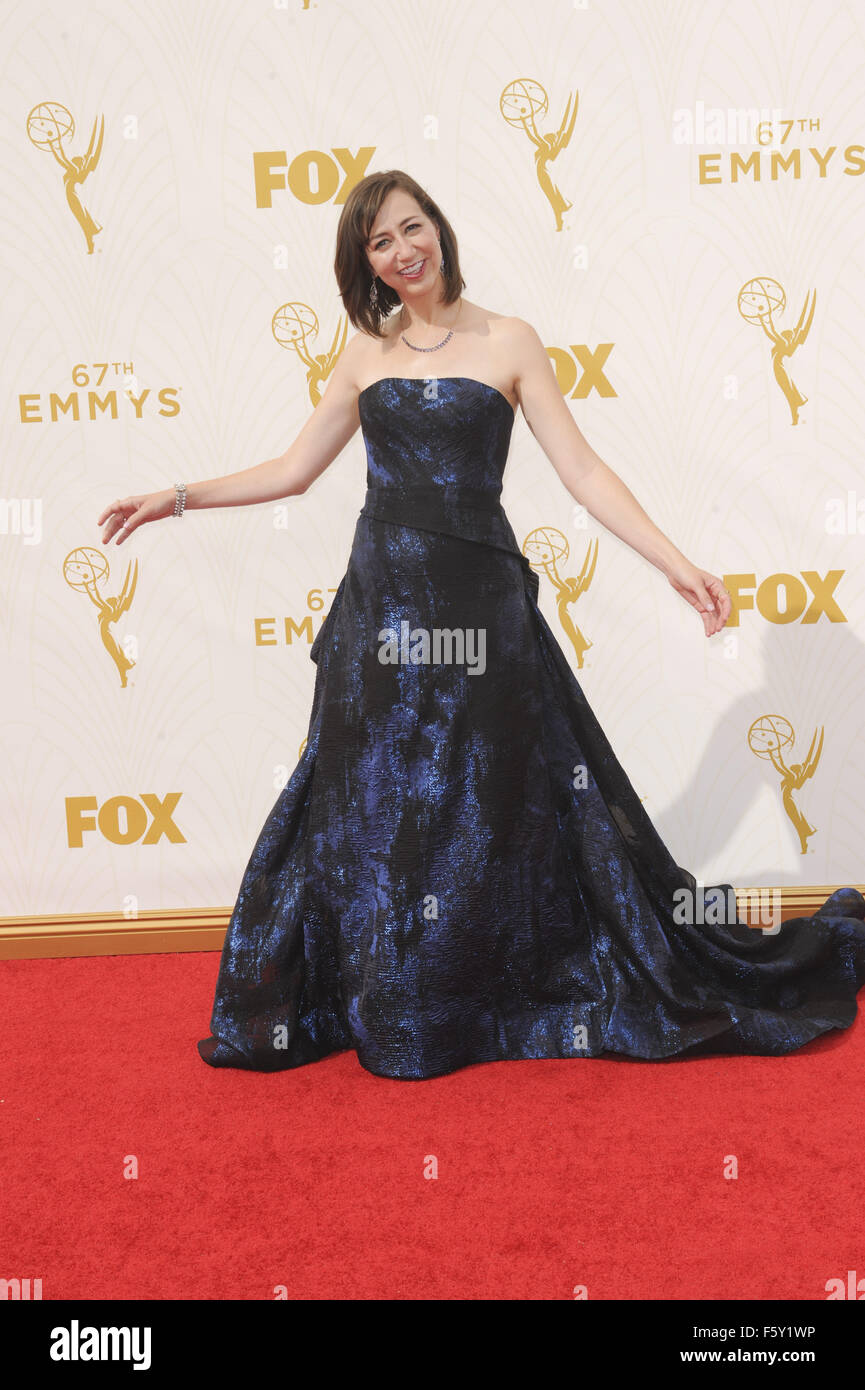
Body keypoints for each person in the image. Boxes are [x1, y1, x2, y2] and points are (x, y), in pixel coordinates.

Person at [98, 170, 865, 1080]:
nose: (400, 251)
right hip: (379, 609)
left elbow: (582, 472)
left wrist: (674, 562)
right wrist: (176, 497)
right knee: (378, 804)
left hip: (482, 606)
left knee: (486, 802)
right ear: (365, 264)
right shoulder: (362, 354)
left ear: (439, 230)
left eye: (410, 228)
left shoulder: (509, 341)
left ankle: (481, 1002)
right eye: (379, 243)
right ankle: (400, 1003)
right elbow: (294, 470)